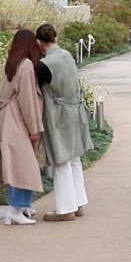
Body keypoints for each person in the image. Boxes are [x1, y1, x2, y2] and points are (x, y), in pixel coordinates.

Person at [34, 24, 92, 221]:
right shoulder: (67, 55)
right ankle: (78, 203)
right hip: (76, 110)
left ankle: (65, 209)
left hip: (59, 115)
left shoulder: (44, 65)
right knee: (75, 158)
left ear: (39, 43)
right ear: (56, 38)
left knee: (61, 161)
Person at [0, 28, 47, 225]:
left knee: (17, 164)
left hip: (7, 118)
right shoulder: (25, 66)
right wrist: (34, 127)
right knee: (23, 164)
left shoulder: (11, 63)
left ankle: (20, 206)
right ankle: (15, 209)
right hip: (17, 120)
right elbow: (28, 100)